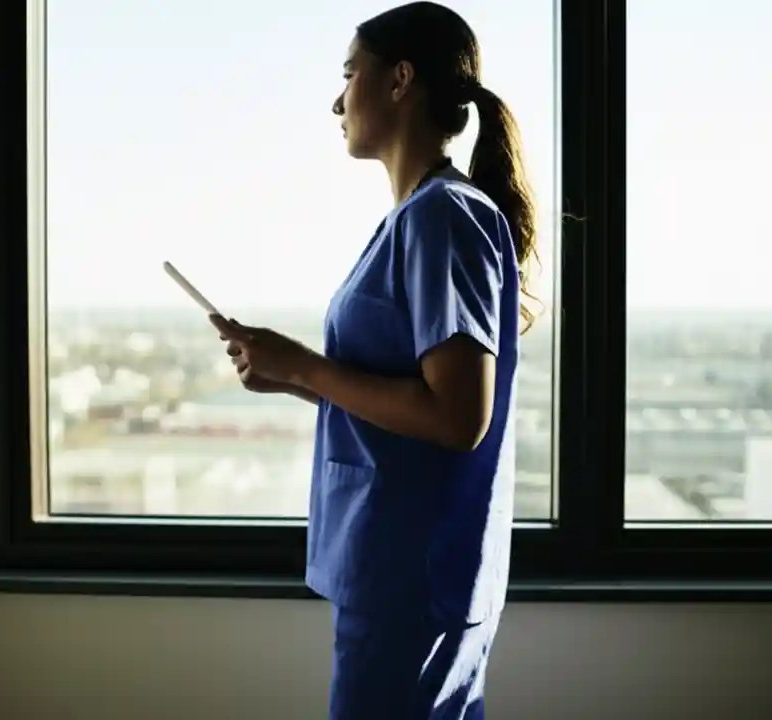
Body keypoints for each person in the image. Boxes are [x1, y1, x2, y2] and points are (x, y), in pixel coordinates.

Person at [208, 2, 539, 717]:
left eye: (350, 73)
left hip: (411, 579)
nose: (337, 99)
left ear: (400, 81)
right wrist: (292, 378)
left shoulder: (443, 217)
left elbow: (457, 418)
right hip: (399, 575)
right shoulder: (418, 216)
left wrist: (305, 368)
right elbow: (405, 395)